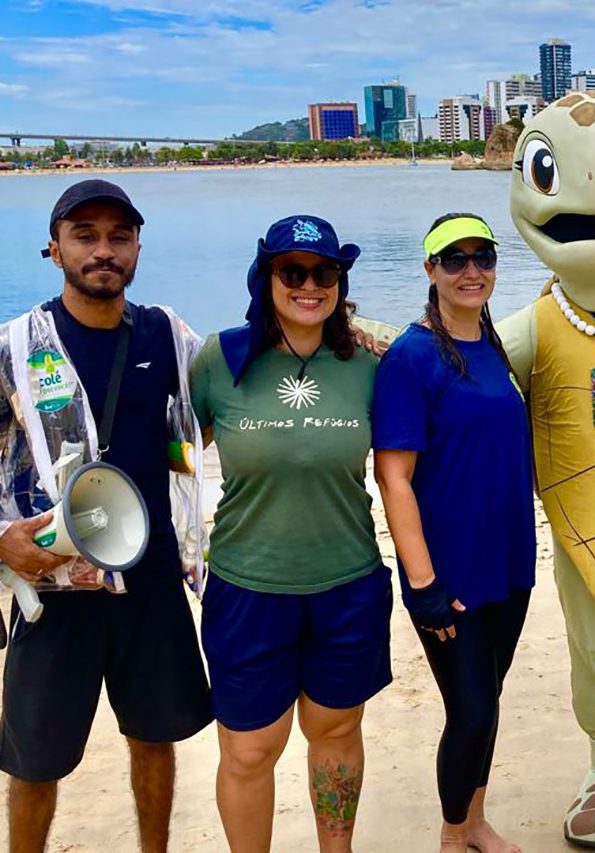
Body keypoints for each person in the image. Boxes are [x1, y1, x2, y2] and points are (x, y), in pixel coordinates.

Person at [0, 179, 212, 853]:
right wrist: (3, 542)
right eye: (85, 235)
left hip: (150, 582)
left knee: (154, 740)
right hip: (55, 585)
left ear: (138, 246)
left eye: (119, 236)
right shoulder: (16, 348)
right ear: (53, 248)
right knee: (35, 763)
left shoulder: (168, 335)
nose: (104, 250)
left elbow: (236, 385)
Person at [190, 215, 391, 853]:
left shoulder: (367, 360)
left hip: (348, 581)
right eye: (292, 271)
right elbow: (174, 456)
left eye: (324, 272)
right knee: (250, 749)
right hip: (247, 585)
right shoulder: (218, 360)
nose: (310, 285)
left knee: (335, 732)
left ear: (340, 281)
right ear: (266, 277)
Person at [372, 213, 534, 853]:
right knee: (468, 711)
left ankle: (475, 822)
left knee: (487, 704)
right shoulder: (412, 357)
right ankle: (449, 836)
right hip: (449, 574)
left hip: (509, 563)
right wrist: (425, 583)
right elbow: (395, 479)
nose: (471, 271)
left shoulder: (492, 345)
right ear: (430, 270)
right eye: (454, 259)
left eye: (483, 257)